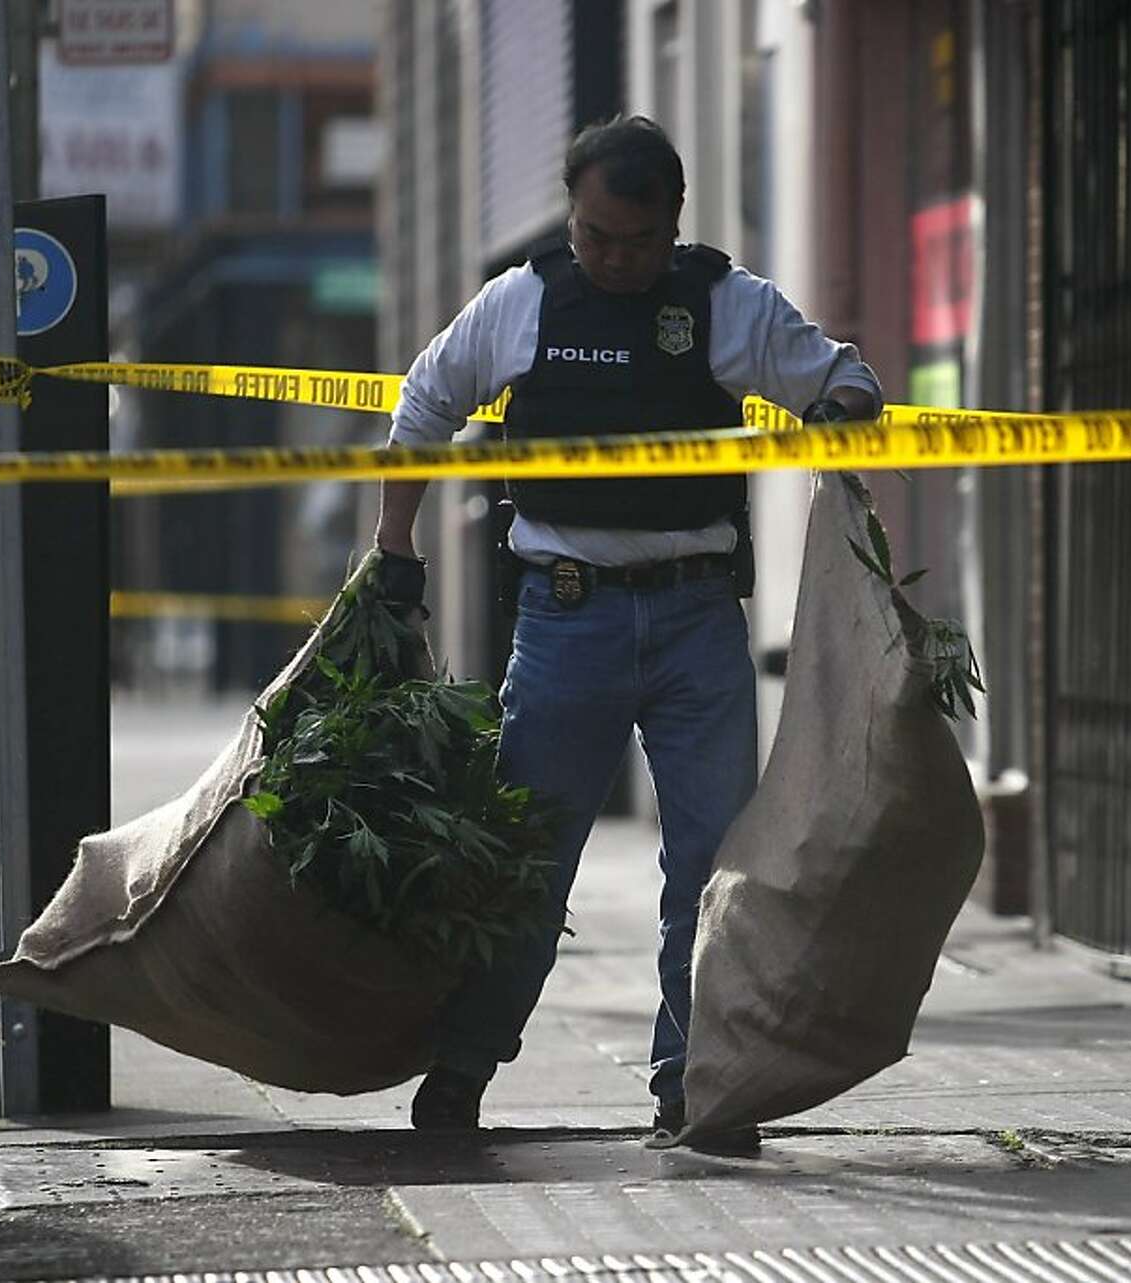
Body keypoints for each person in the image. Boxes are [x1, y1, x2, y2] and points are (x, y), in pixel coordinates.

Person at [373, 114, 881, 1150]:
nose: (611, 258)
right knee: (529, 858)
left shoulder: (722, 304)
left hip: (698, 622)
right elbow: (423, 405)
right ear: (573, 217)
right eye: (594, 235)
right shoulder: (523, 302)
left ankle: (691, 1081)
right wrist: (394, 550)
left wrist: (838, 408)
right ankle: (465, 1064)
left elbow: (846, 376)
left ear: (671, 223)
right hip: (567, 620)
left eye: (634, 242)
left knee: (710, 865)